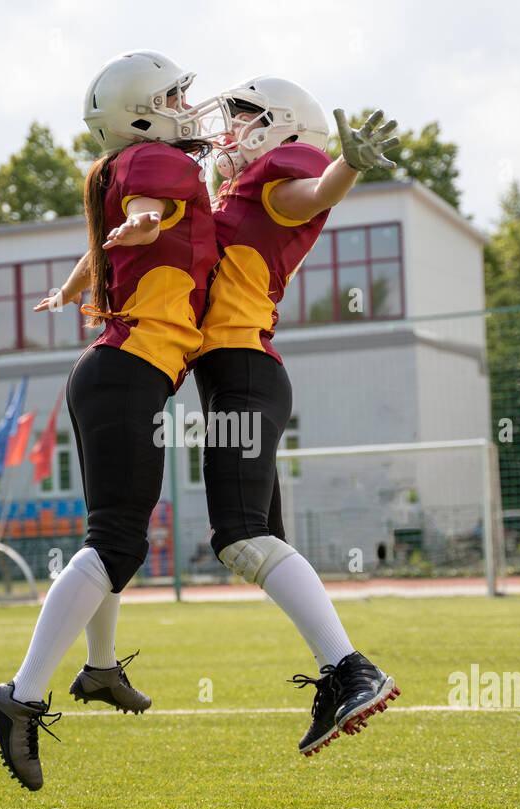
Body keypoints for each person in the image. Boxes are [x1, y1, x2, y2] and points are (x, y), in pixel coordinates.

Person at [0, 50, 219, 791]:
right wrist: (142, 225)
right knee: (116, 542)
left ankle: (102, 667)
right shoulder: (156, 160)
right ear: (140, 112)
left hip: (115, 374)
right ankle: (17, 697)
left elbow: (115, 231)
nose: (187, 103)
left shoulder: (126, 163)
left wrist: (73, 282)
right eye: (173, 94)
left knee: (114, 536)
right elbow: (145, 205)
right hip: (126, 375)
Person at [192, 77, 401, 757]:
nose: (227, 132)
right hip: (238, 375)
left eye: (241, 118)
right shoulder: (235, 191)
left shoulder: (283, 177)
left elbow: (311, 195)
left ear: (278, 128)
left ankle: (351, 669)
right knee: (263, 543)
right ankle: (340, 671)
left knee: (238, 538)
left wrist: (347, 165)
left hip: (243, 374)